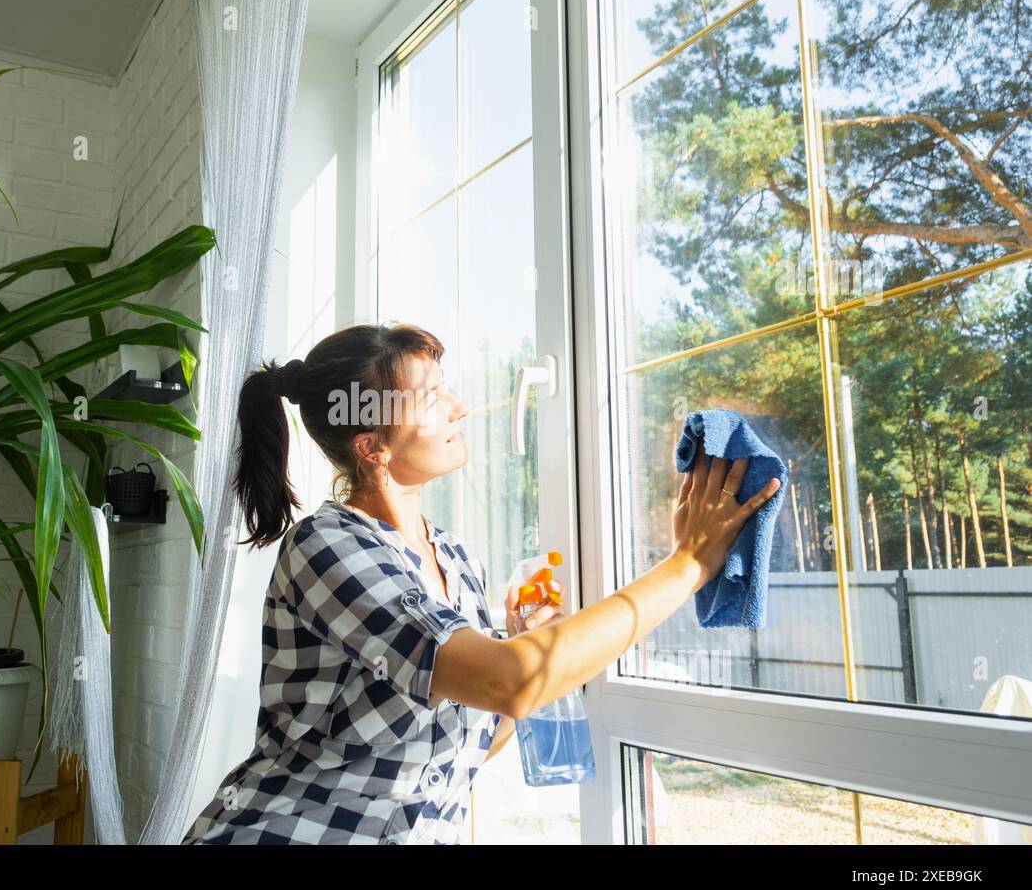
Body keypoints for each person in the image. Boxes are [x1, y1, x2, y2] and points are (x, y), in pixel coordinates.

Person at [180, 322, 780, 844]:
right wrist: (691, 562)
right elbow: (511, 683)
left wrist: (518, 645)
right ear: (372, 446)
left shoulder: (458, 563)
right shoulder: (328, 548)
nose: (459, 407)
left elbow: (471, 743)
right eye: (432, 398)